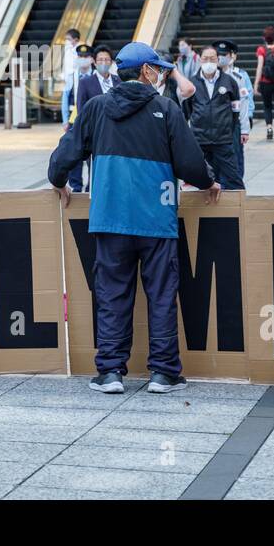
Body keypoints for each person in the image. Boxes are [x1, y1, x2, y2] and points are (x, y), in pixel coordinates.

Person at [48, 42, 218, 395]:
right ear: (145, 72)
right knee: (161, 295)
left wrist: (59, 181)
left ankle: (110, 372)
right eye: (157, 68)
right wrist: (209, 180)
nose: (161, 74)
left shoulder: (95, 108)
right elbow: (190, 163)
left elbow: (64, 155)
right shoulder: (166, 109)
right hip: (157, 220)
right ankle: (164, 373)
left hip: (110, 218)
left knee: (112, 296)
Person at [182, 44, 242, 189]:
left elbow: (235, 110)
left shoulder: (229, 81)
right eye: (205, 58)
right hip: (200, 141)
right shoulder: (192, 83)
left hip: (223, 140)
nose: (209, 62)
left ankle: (238, 209)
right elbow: (186, 111)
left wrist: (227, 128)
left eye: (212, 58)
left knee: (233, 179)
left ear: (217, 60)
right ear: (200, 60)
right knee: (204, 180)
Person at [218, 41, 253, 187]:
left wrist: (245, 129)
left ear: (232, 56)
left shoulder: (239, 76)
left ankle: (235, 192)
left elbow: (245, 103)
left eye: (224, 55)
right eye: (218, 55)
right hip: (215, 126)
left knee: (236, 158)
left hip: (233, 124)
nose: (221, 58)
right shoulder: (210, 76)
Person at [65, 43, 96, 193]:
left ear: (91, 59)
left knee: (93, 157)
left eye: (86, 56)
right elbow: (65, 98)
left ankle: (91, 186)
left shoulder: (97, 76)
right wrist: (65, 120)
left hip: (93, 120)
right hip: (74, 120)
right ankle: (76, 186)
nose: (82, 59)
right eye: (80, 56)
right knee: (74, 154)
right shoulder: (72, 76)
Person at [60, 28, 82, 126]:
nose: (66, 41)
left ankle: (74, 119)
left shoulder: (81, 50)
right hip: (68, 77)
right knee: (65, 99)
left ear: (76, 40)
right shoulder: (67, 49)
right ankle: (66, 121)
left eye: (68, 39)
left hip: (77, 77)